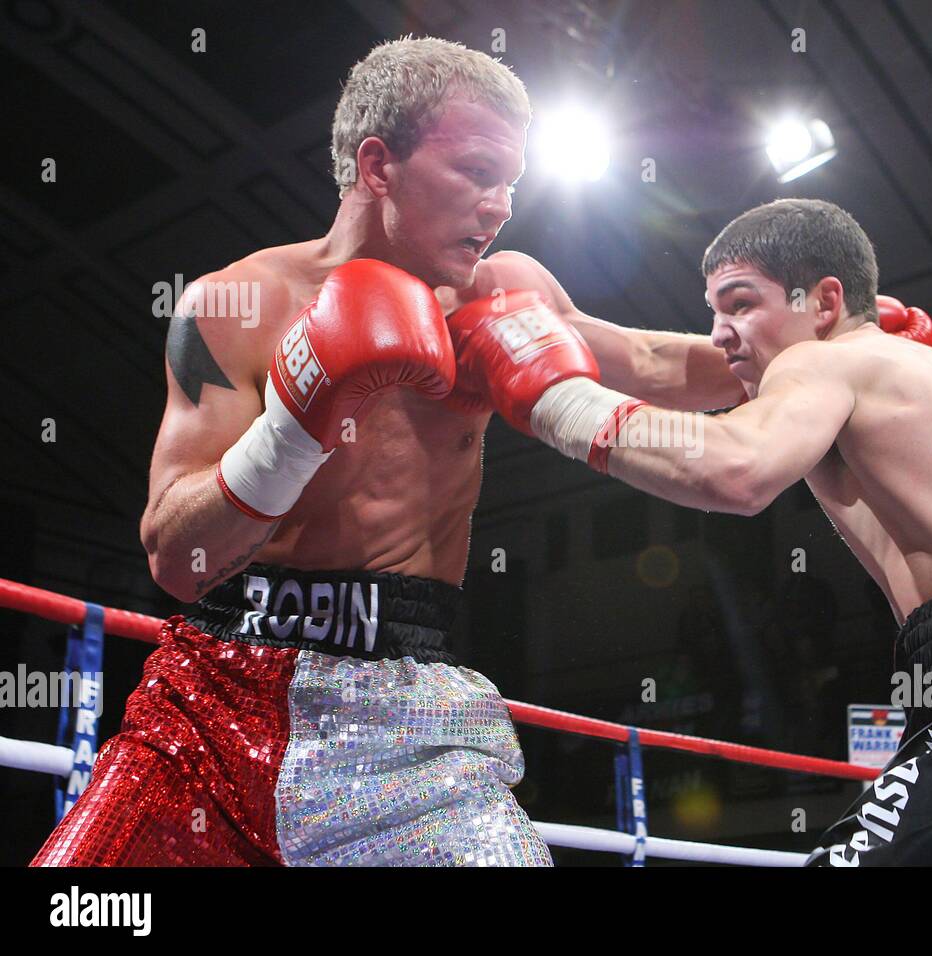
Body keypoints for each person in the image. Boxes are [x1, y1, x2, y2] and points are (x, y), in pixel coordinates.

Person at [32, 36, 736, 867]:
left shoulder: (506, 291)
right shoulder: (230, 302)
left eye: (510, 181)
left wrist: (814, 350)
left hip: (413, 724)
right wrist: (296, 422)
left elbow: (659, 365)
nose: (500, 204)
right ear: (378, 165)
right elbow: (176, 558)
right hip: (207, 709)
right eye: (477, 171)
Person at [448, 197, 932, 865]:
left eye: (740, 303)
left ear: (825, 300)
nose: (721, 334)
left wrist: (551, 398)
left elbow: (737, 472)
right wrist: (565, 323)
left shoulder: (820, 366)